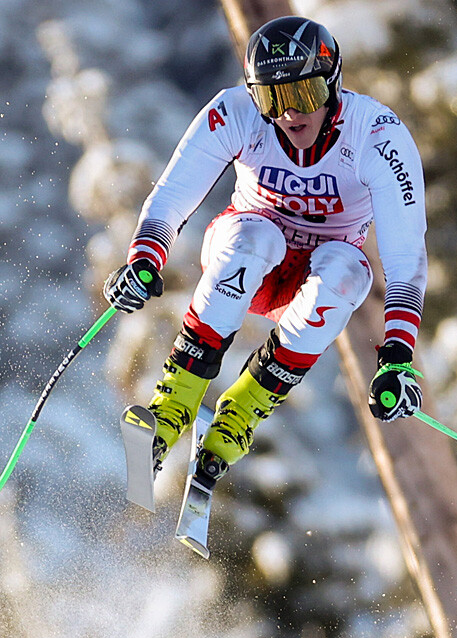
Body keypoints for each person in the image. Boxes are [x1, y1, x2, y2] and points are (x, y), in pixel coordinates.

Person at [103, 16, 426, 489]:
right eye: (272, 99)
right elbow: (172, 196)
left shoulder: (376, 135)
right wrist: (143, 258)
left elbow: (405, 259)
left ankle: (242, 415)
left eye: (305, 94)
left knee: (350, 272)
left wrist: (397, 354)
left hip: (315, 273)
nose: (290, 114)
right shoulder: (235, 112)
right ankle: (171, 406)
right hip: (246, 252)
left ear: (333, 84)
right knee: (256, 238)